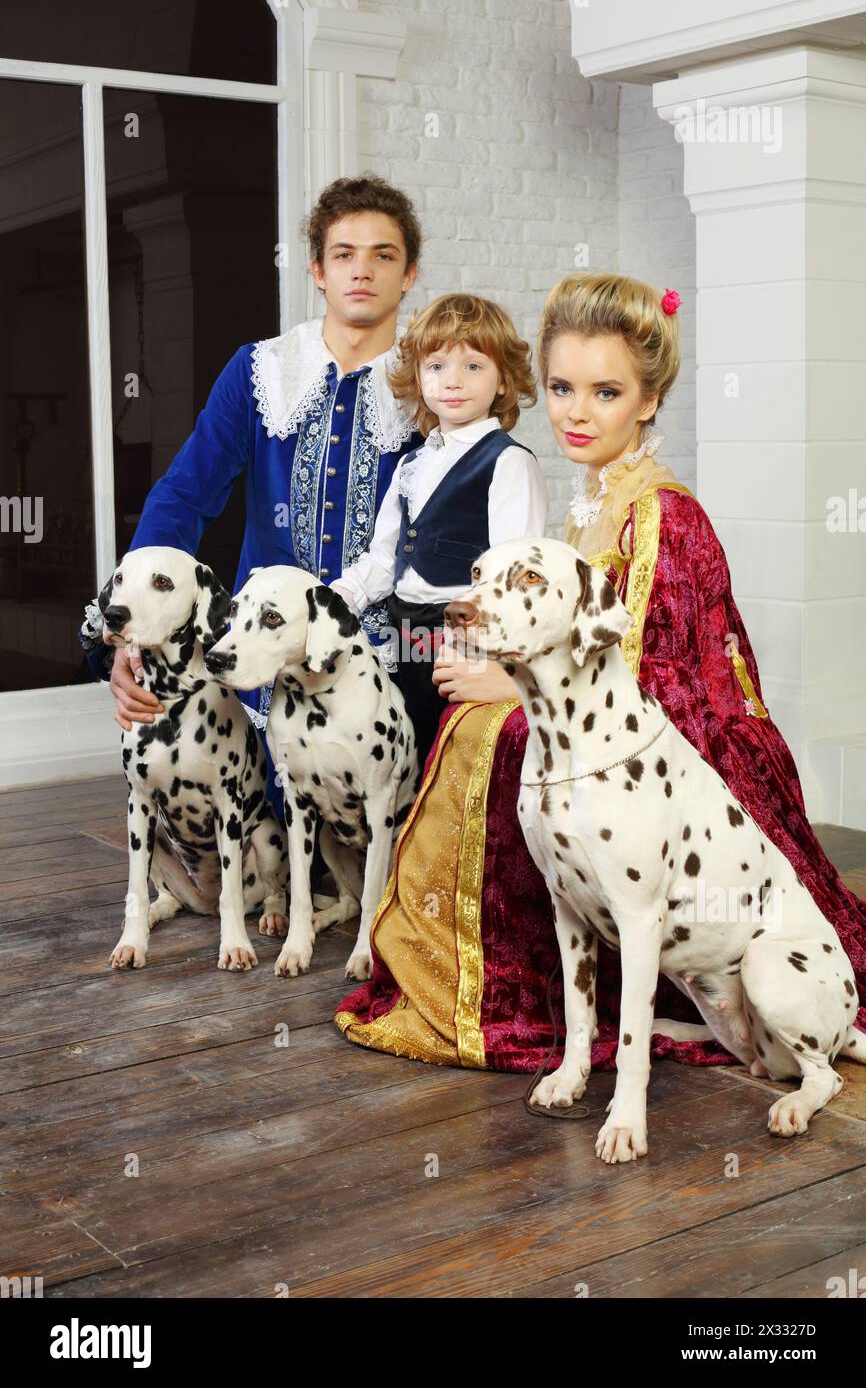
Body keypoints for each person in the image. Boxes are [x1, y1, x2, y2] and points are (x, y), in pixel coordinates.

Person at [335, 271, 866, 1073]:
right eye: (560, 387)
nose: (576, 413)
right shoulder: (592, 497)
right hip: (587, 718)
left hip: (661, 744)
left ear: (649, 400)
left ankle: (506, 989)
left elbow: (657, 668)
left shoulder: (661, 510)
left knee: (497, 739)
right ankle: (474, 971)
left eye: (605, 392)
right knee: (475, 727)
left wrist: (509, 686)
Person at [79, 175, 425, 812]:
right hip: (260, 667)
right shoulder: (261, 370)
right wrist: (132, 626)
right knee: (269, 850)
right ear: (317, 270)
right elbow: (185, 494)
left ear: (409, 274)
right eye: (344, 254)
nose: (363, 271)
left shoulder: (436, 379)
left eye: (384, 255)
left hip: (386, 665)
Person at [330, 293, 546, 767]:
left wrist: (491, 652)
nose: (452, 382)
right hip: (406, 629)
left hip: (466, 637)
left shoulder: (508, 462)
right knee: (410, 755)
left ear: (504, 380)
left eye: (473, 367)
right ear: (418, 377)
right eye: (436, 366)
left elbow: (514, 577)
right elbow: (385, 558)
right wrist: (339, 596)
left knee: (460, 760)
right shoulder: (411, 463)